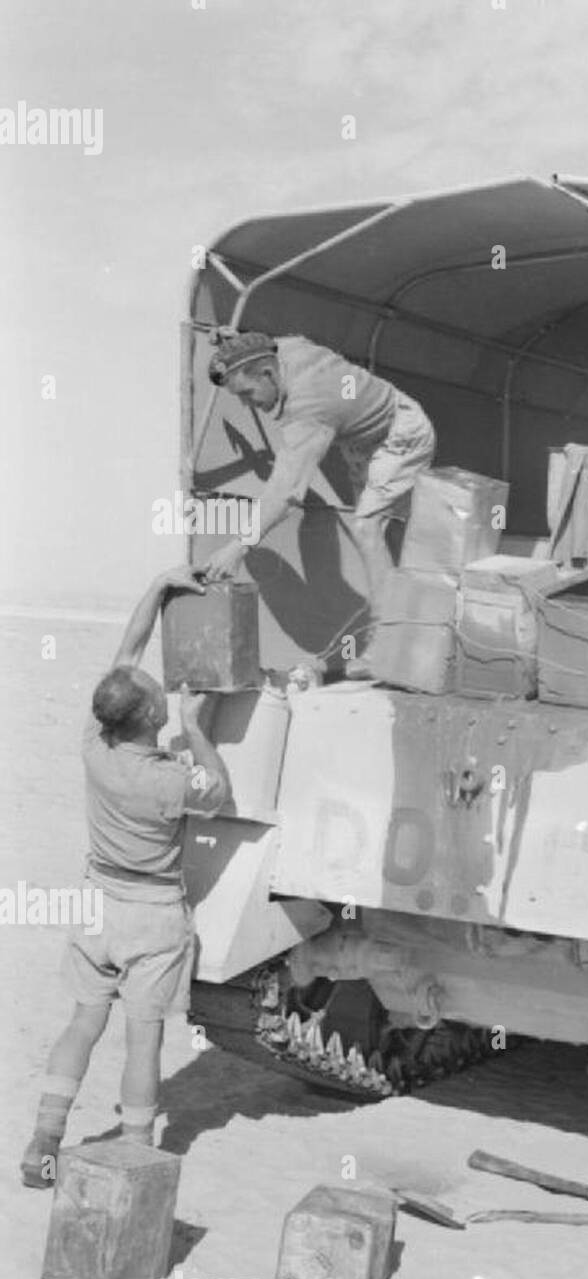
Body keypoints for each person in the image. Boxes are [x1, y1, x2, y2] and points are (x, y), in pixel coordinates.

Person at [20, 567, 230, 1188]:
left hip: (97, 904)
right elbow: (216, 793)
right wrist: (196, 730)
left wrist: (159, 588)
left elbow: (127, 654)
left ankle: (45, 1143)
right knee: (144, 1041)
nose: (161, 695)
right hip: (152, 915)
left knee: (84, 1023)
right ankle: (137, 1153)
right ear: (145, 718)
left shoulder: (96, 742)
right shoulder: (168, 780)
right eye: (157, 700)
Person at [202, 330, 437, 675]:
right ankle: (410, 631)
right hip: (365, 443)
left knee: (368, 528)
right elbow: (274, 341)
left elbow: (285, 493)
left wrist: (239, 546)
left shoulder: (308, 407)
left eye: (248, 394)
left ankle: (386, 647)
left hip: (401, 434)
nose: (248, 405)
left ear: (268, 374)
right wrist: (233, 343)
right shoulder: (283, 351)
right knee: (384, 537)